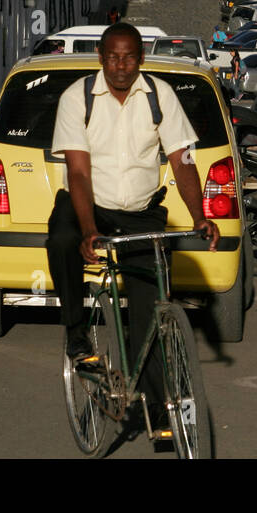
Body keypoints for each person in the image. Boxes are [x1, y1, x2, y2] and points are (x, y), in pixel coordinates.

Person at [45, 24, 219, 400]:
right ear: (101, 58)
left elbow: (182, 160)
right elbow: (77, 171)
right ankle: (76, 333)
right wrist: (89, 229)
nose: (120, 66)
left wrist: (199, 215)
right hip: (87, 204)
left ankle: (158, 407)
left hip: (140, 212)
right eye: (112, 57)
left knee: (150, 309)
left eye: (128, 57)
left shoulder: (160, 95)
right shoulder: (78, 98)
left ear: (140, 58)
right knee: (61, 237)